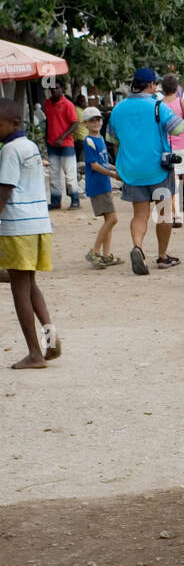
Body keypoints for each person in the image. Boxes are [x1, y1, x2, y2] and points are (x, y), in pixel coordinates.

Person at [106, 67, 184, 275]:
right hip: (158, 168)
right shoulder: (158, 107)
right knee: (164, 213)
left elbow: (113, 141)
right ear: (151, 85)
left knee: (139, 215)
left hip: (131, 170)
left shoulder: (118, 109)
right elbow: (178, 128)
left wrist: (121, 165)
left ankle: (138, 247)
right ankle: (162, 256)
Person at [0, 97, 60, 368]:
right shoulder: (31, 146)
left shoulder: (10, 150)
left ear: (13, 124)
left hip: (17, 225)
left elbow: (5, 189)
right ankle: (51, 339)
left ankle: (35, 352)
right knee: (30, 285)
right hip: (38, 224)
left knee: (19, 289)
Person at [80, 107, 122, 268]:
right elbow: (94, 165)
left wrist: (116, 169)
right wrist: (114, 175)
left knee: (108, 220)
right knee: (113, 219)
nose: (96, 122)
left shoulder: (100, 138)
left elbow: (103, 162)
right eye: (92, 120)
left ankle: (106, 254)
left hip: (104, 183)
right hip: (97, 184)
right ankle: (95, 251)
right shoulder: (89, 140)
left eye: (98, 119)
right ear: (85, 124)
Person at [160, 74, 184, 226]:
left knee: (172, 185)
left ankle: (175, 216)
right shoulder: (183, 102)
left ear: (162, 89)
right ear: (177, 88)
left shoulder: (158, 104)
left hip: (166, 148)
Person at [42, 78, 81, 210]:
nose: (54, 90)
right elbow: (48, 121)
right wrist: (47, 136)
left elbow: (75, 124)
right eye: (52, 88)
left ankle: (75, 200)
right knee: (54, 175)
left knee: (70, 174)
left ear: (62, 89)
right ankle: (55, 201)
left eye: (56, 88)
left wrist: (62, 137)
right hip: (52, 143)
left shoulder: (68, 104)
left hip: (66, 144)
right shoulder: (47, 104)